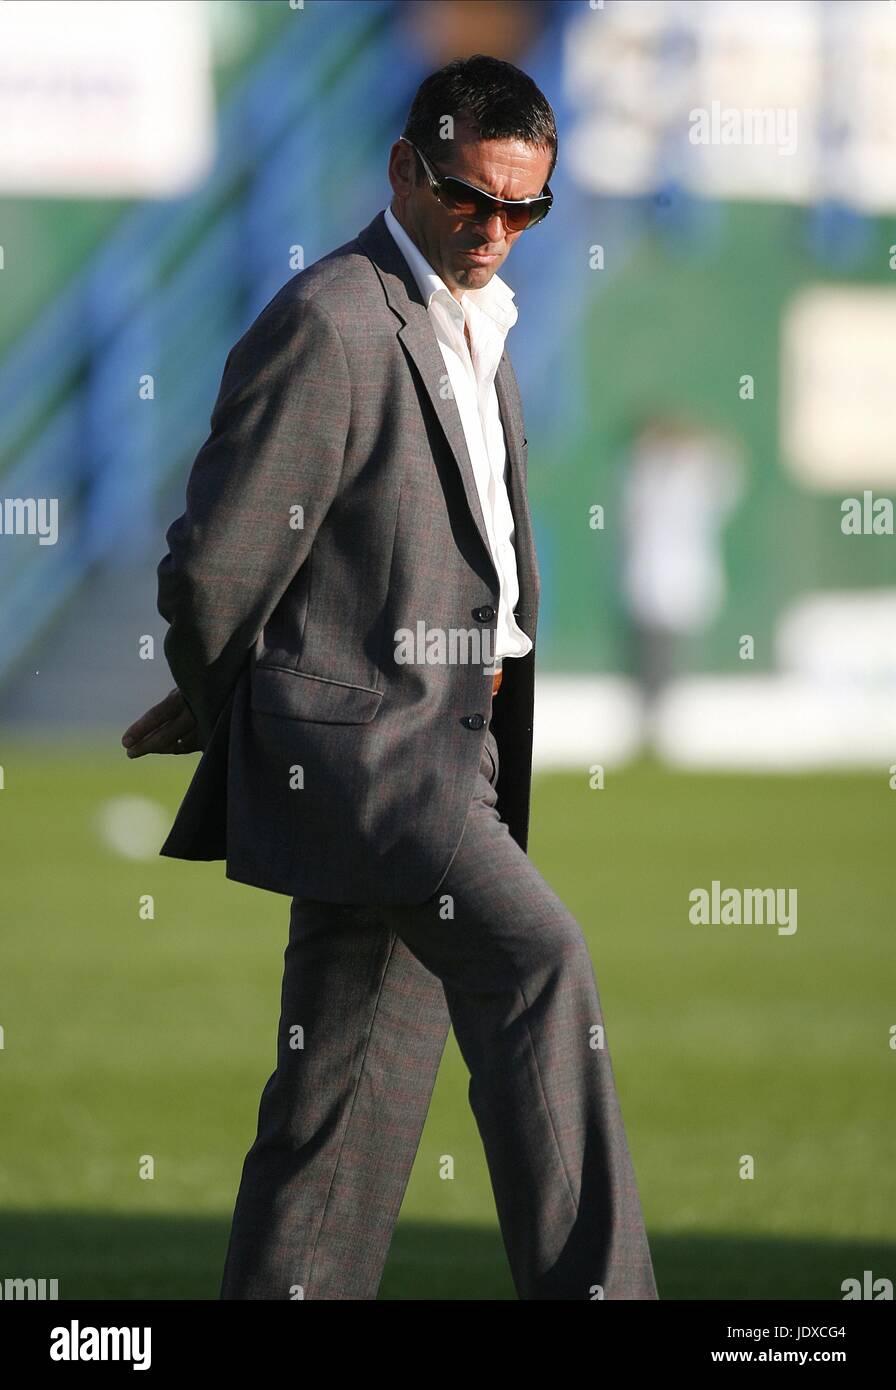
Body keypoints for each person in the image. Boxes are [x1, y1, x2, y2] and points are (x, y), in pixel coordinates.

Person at [122, 54, 658, 1301]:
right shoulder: (333, 319)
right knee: (541, 967)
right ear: (404, 171)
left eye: (525, 209)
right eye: (472, 199)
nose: (495, 233)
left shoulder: (479, 318)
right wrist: (234, 707)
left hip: (451, 745)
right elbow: (215, 567)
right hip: (382, 764)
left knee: (339, 1101)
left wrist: (239, 703)